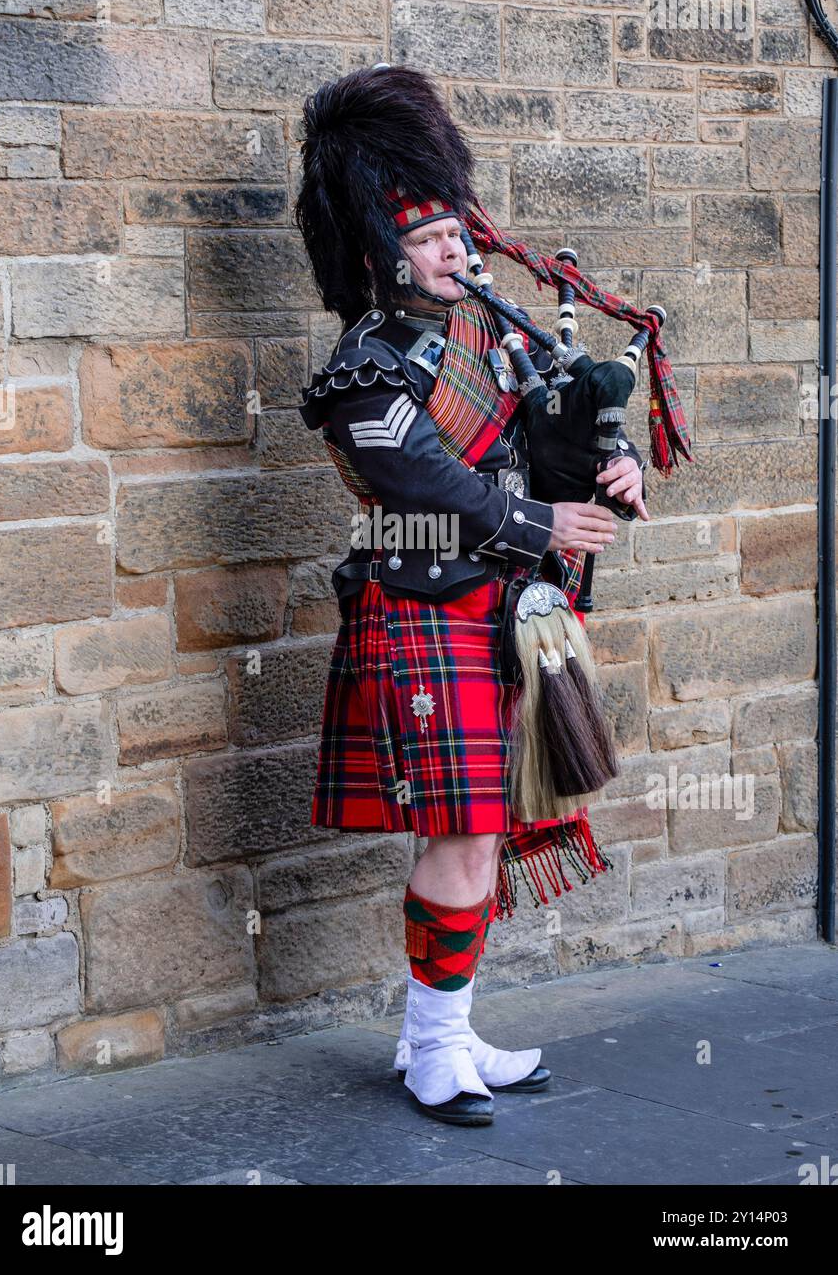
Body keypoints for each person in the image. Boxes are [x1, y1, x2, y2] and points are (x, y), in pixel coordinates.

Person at [295, 64, 649, 1127]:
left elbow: (561, 426)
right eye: (430, 237)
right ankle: (433, 1046)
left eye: (457, 232)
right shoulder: (363, 370)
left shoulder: (493, 339)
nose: (458, 250)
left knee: (482, 832)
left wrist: (612, 462)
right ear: (375, 254)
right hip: (419, 609)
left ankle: (436, 1038)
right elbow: (428, 488)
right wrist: (546, 526)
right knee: (460, 833)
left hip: (500, 616)